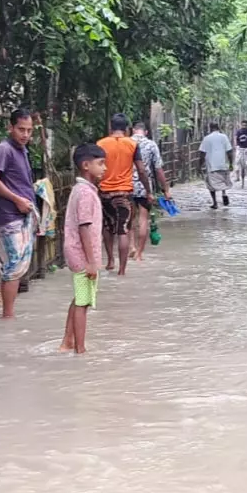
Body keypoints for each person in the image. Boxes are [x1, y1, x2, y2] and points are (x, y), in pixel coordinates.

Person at [0, 108, 37, 318]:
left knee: (17, 267)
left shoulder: (22, 150)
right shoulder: (4, 150)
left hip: (20, 215)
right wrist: (17, 199)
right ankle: (8, 316)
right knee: (13, 268)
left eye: (29, 130)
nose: (25, 134)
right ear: (11, 128)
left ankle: (9, 315)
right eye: (21, 129)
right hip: (8, 216)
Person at [62, 144, 106, 354]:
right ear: (86, 165)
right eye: (101, 164)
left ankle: (68, 341)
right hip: (82, 256)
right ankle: (80, 349)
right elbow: (84, 227)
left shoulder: (81, 190)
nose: (104, 168)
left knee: (79, 298)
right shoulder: (86, 193)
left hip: (78, 253)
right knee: (83, 302)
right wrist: (90, 261)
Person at [95, 114, 151, 275]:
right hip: (124, 193)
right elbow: (141, 170)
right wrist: (148, 191)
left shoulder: (101, 144)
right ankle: (122, 270)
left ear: (110, 127)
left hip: (105, 192)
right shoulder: (132, 144)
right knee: (123, 230)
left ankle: (110, 261)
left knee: (107, 227)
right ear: (126, 129)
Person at [130, 122, 171, 260]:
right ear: (146, 132)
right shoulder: (151, 145)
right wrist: (165, 189)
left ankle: (131, 246)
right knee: (143, 219)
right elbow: (158, 169)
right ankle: (139, 254)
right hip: (144, 185)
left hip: (126, 185)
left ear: (133, 130)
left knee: (129, 219)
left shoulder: (126, 143)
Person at [200, 122, 234, 209]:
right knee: (223, 180)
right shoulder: (224, 137)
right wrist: (231, 163)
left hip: (211, 165)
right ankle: (224, 193)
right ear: (218, 128)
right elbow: (229, 151)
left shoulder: (206, 138)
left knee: (211, 185)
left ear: (210, 128)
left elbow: (202, 153)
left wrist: (200, 165)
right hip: (223, 163)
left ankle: (215, 203)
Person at [235, 119, 247, 186]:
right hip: (239, 148)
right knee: (237, 161)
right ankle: (237, 177)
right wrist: (236, 146)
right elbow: (235, 139)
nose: (244, 126)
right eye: (243, 125)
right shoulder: (238, 131)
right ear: (241, 125)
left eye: (245, 125)